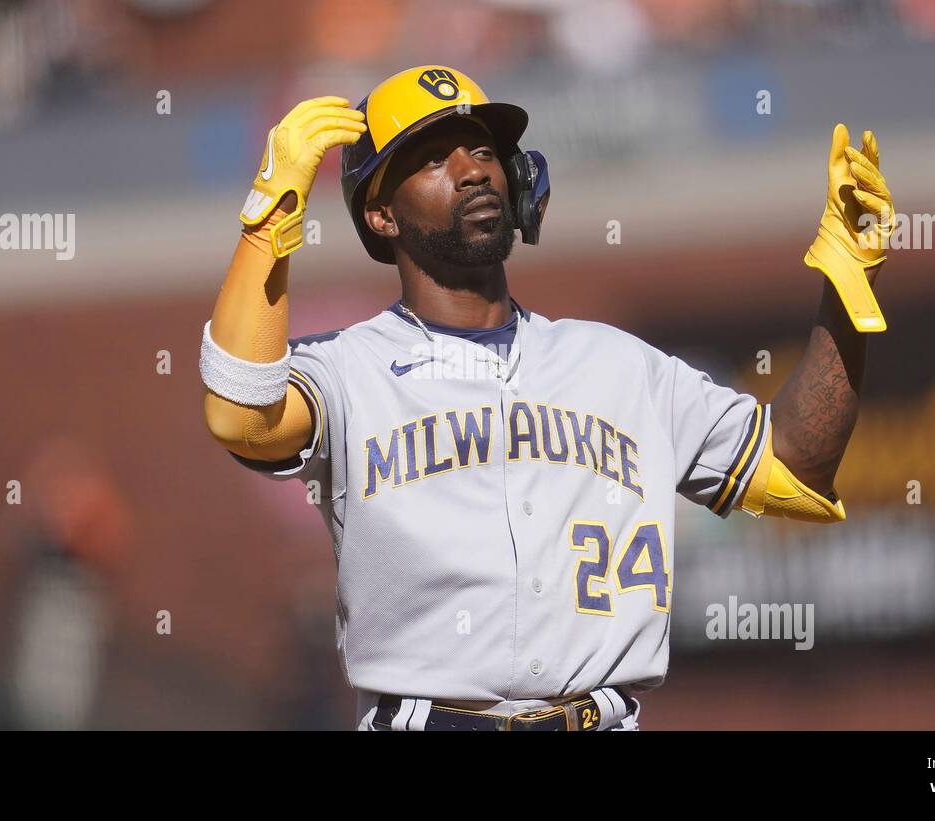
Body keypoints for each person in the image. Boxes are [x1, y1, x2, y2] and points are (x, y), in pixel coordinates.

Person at [200, 66, 894, 731]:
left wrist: (846, 286)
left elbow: (797, 465)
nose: (472, 168)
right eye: (434, 158)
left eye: (483, 150)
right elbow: (239, 412)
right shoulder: (348, 370)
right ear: (381, 215)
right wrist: (269, 218)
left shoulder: (620, 366)